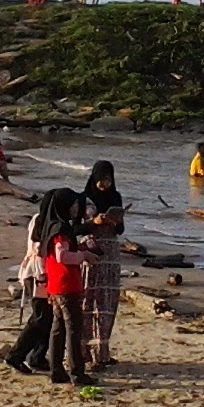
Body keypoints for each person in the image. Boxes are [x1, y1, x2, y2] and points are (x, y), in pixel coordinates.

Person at [40, 189, 95, 385]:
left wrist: (79, 250)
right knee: (73, 329)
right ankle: (77, 373)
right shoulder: (61, 229)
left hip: (55, 285)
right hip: (66, 284)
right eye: (73, 205)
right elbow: (62, 256)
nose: (76, 208)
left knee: (58, 328)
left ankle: (56, 370)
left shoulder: (50, 227)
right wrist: (83, 256)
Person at [4, 198, 59, 374]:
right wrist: (43, 276)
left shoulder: (45, 220)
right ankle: (15, 355)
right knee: (40, 318)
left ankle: (37, 356)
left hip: (39, 273)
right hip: (37, 274)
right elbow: (38, 249)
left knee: (47, 317)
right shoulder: (42, 221)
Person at [80, 160, 125, 370]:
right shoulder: (83, 199)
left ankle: (102, 351)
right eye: (101, 179)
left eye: (108, 180)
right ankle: (83, 351)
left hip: (111, 253)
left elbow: (121, 230)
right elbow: (76, 227)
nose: (105, 184)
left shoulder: (116, 197)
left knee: (107, 302)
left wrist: (115, 222)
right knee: (89, 299)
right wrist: (94, 223)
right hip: (91, 249)